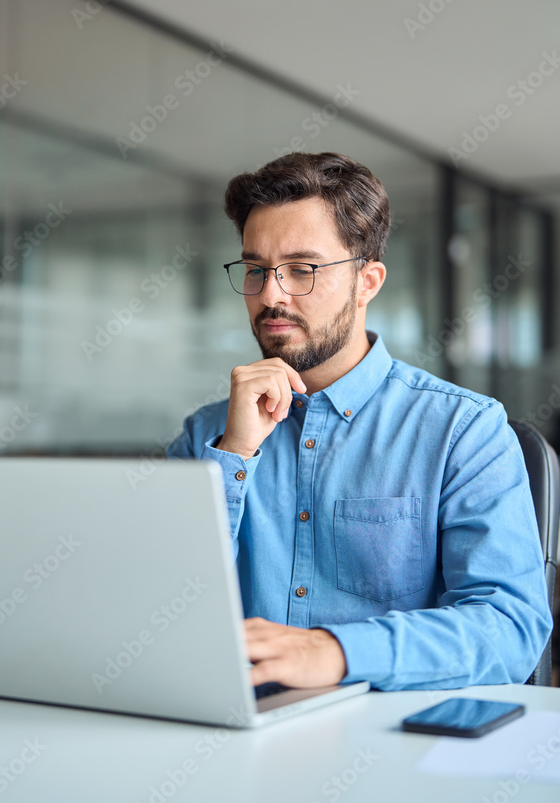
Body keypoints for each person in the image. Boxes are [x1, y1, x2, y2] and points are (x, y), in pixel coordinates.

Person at [166, 152, 552, 691]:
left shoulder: (464, 431)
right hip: (227, 723)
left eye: (302, 269)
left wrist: (336, 652)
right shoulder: (206, 436)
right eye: (256, 270)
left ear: (367, 281)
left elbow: (509, 630)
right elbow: (156, 610)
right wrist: (233, 456)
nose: (271, 295)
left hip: (387, 730)